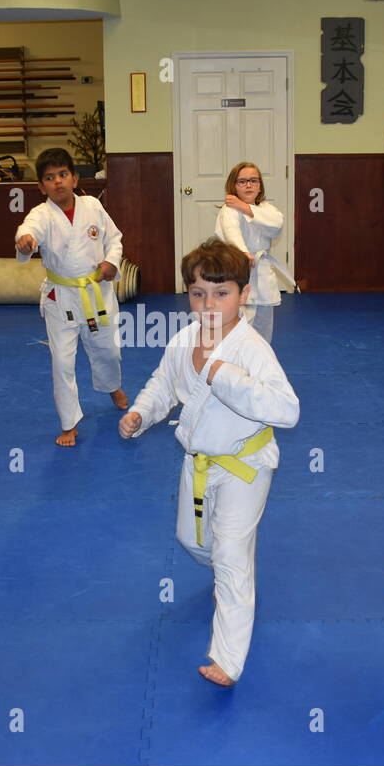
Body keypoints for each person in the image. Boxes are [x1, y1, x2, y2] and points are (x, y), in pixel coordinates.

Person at [119, 238, 300, 687]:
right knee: (192, 541)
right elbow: (163, 383)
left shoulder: (251, 349)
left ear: (243, 295)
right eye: (199, 293)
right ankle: (221, 564)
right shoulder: (183, 340)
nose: (210, 304)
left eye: (222, 293)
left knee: (232, 556)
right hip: (198, 462)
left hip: (245, 464)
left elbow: (288, 409)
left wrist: (228, 378)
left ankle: (228, 658)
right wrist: (141, 414)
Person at [15, 147, 128, 447]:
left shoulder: (92, 206)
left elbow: (114, 238)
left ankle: (112, 386)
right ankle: (69, 423)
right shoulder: (40, 215)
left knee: (108, 351)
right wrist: (25, 242)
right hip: (60, 298)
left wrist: (111, 263)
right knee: (62, 363)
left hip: (96, 293)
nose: (58, 182)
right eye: (50, 178)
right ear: (42, 186)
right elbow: (29, 231)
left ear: (75, 178)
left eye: (63, 174)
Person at [213, 161, 286, 343]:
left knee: (263, 331)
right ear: (233, 185)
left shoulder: (267, 209)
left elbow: (276, 224)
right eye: (242, 181)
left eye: (253, 180)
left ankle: (260, 366)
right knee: (236, 331)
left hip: (262, 275)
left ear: (260, 185)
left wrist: (245, 207)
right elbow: (232, 234)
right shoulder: (228, 210)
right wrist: (243, 254)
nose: (248, 185)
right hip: (236, 272)